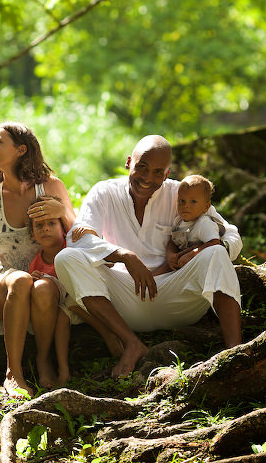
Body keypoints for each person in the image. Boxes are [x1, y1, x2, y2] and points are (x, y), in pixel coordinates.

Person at [54, 135, 242, 379]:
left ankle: (236, 354)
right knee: (67, 258)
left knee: (217, 251)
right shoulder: (104, 192)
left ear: (166, 174)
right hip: (123, 299)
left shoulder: (181, 193)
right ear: (128, 162)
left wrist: (196, 252)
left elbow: (231, 235)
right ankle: (131, 343)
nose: (147, 178)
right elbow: (77, 239)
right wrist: (124, 256)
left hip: (175, 295)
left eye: (157, 172)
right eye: (141, 167)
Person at [0, 122, 82, 398]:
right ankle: (13, 373)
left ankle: (43, 361)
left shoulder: (51, 187)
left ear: (21, 150)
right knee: (21, 279)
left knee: (44, 286)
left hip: (48, 282)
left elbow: (78, 235)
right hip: (7, 283)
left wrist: (62, 210)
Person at [26, 196, 98, 387]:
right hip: (60, 311)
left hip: (81, 304)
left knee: (66, 309)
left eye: (51, 223)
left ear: (63, 228)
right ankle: (63, 369)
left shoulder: (71, 246)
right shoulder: (36, 262)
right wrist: (34, 278)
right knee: (61, 314)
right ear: (32, 234)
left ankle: (106, 333)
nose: (45, 228)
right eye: (39, 226)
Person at [152, 174, 227, 276]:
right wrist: (170, 255)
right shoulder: (179, 221)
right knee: (167, 265)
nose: (186, 206)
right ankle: (152, 280)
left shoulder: (205, 223)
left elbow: (215, 244)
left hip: (200, 262)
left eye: (193, 202)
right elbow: (172, 241)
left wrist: (194, 253)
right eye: (182, 201)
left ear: (206, 207)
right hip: (182, 259)